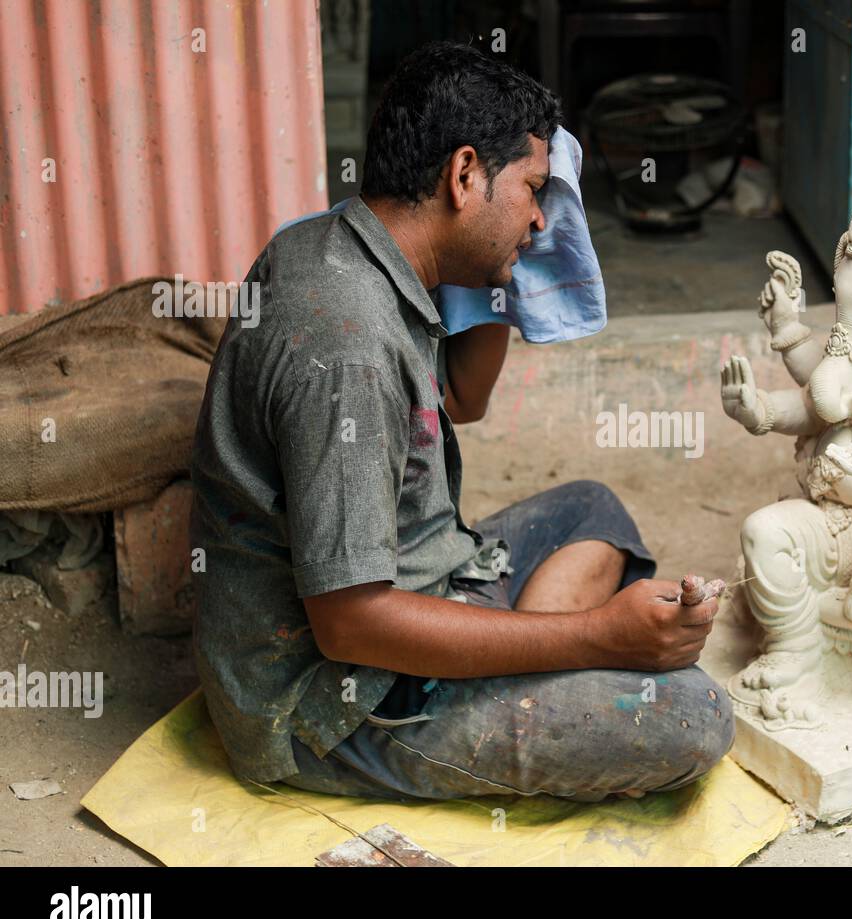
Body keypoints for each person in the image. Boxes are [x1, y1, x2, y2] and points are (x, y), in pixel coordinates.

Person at [189, 41, 733, 803]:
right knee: (693, 716)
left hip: (417, 579)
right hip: (335, 699)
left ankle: (519, 661)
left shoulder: (341, 245)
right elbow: (349, 624)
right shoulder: (348, 347)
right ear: (465, 173)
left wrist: (512, 255)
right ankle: (537, 663)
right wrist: (595, 638)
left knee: (591, 508)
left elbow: (461, 399)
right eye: (534, 190)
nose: (544, 218)